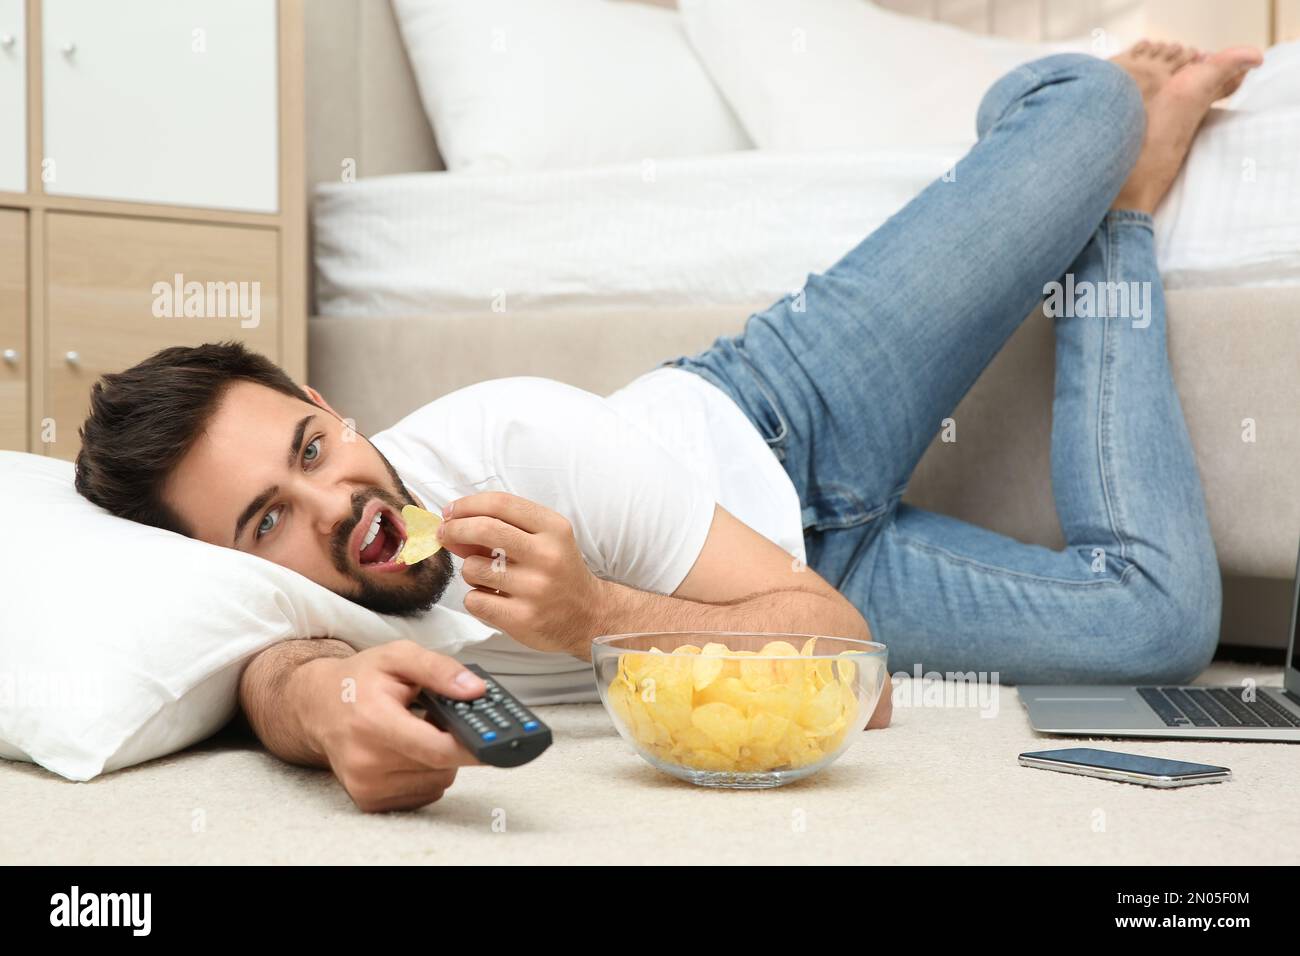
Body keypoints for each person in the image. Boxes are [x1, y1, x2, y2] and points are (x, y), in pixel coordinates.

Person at [73, 43, 1261, 812]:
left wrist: (597, 614)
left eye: (311, 449)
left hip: (787, 410)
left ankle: (1095, 159)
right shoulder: (278, 606)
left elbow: (833, 658)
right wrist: (327, 716)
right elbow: (854, 663)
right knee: (1164, 626)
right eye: (270, 517)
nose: (337, 504)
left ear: (333, 410)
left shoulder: (515, 438)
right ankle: (1123, 219)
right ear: (228, 566)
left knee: (1089, 100)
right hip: (813, 579)